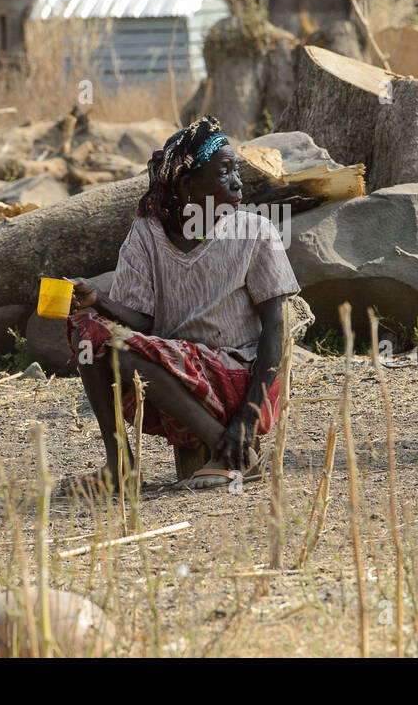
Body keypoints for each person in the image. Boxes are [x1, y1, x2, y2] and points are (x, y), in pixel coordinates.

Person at [60, 116, 299, 493]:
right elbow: (141, 323)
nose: (238, 181)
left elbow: (276, 330)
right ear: (188, 185)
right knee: (89, 334)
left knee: (120, 350)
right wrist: (98, 300)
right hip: (172, 375)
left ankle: (233, 449)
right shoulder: (147, 234)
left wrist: (247, 421)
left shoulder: (256, 232)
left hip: (238, 381)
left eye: (237, 169)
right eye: (224, 172)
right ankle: (119, 463)